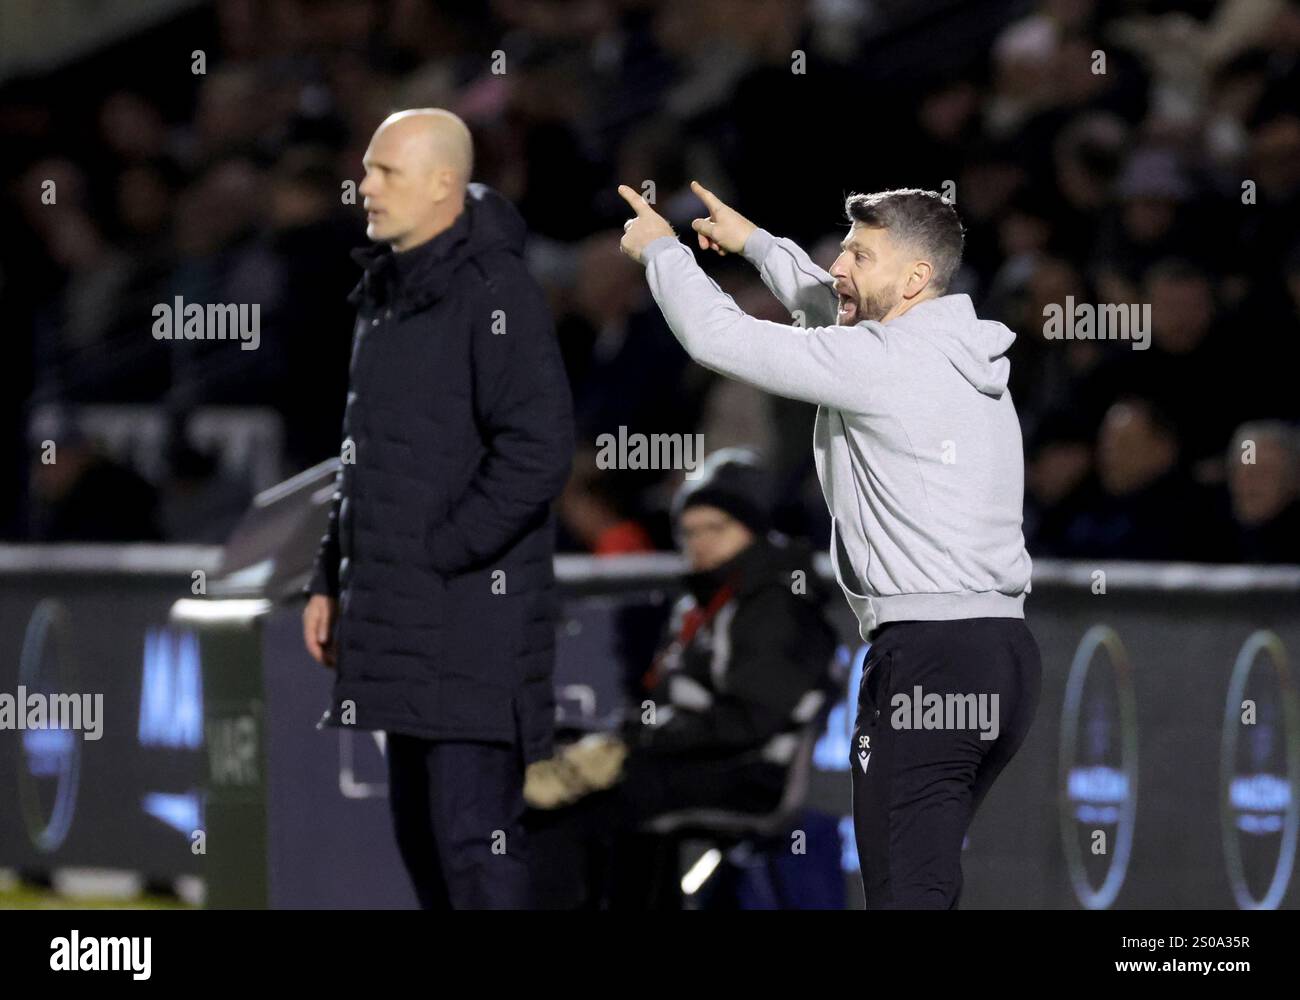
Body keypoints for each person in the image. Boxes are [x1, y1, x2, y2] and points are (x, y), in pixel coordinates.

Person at [617, 180, 1041, 909]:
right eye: (842, 249)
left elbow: (721, 337)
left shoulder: (888, 364)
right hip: (991, 652)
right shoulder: (945, 344)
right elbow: (829, 307)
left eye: (860, 255)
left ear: (914, 279)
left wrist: (662, 252)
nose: (840, 266)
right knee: (912, 882)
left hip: (934, 658)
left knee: (909, 891)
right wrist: (755, 245)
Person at [302, 109, 574, 909]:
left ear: (445, 184)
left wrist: (438, 552)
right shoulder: (384, 293)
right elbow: (365, 458)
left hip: (468, 627)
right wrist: (329, 574)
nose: (366, 185)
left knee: (474, 848)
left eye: (385, 170)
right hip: (399, 620)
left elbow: (536, 451)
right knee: (425, 850)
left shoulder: (498, 292)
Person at [525, 449, 839, 908]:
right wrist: (611, 742)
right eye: (690, 531)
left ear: (751, 528)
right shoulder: (705, 601)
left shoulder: (774, 604)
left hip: (749, 771)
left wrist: (637, 747)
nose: (700, 542)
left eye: (716, 528)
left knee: (589, 804)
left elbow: (751, 721)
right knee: (577, 782)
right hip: (698, 758)